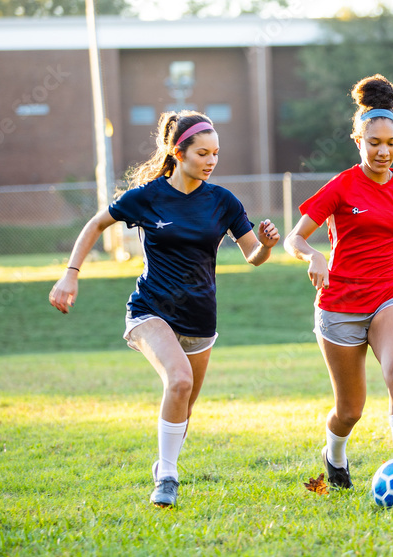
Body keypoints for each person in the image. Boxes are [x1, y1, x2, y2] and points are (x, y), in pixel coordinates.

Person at [48, 111, 281, 507]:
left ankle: (164, 464)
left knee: (184, 404)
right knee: (179, 380)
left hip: (201, 318)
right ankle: (168, 477)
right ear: (179, 152)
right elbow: (95, 225)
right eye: (203, 153)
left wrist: (266, 244)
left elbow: (252, 257)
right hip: (150, 310)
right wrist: (70, 275)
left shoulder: (223, 201)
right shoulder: (149, 197)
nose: (211, 161)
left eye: (216, 154)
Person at [284, 74, 393, 489]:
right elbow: (293, 238)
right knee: (350, 408)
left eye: (391, 143)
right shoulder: (341, 187)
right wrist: (313, 254)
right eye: (374, 143)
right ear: (358, 141)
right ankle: (334, 452)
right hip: (339, 304)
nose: (384, 151)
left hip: (390, 295)